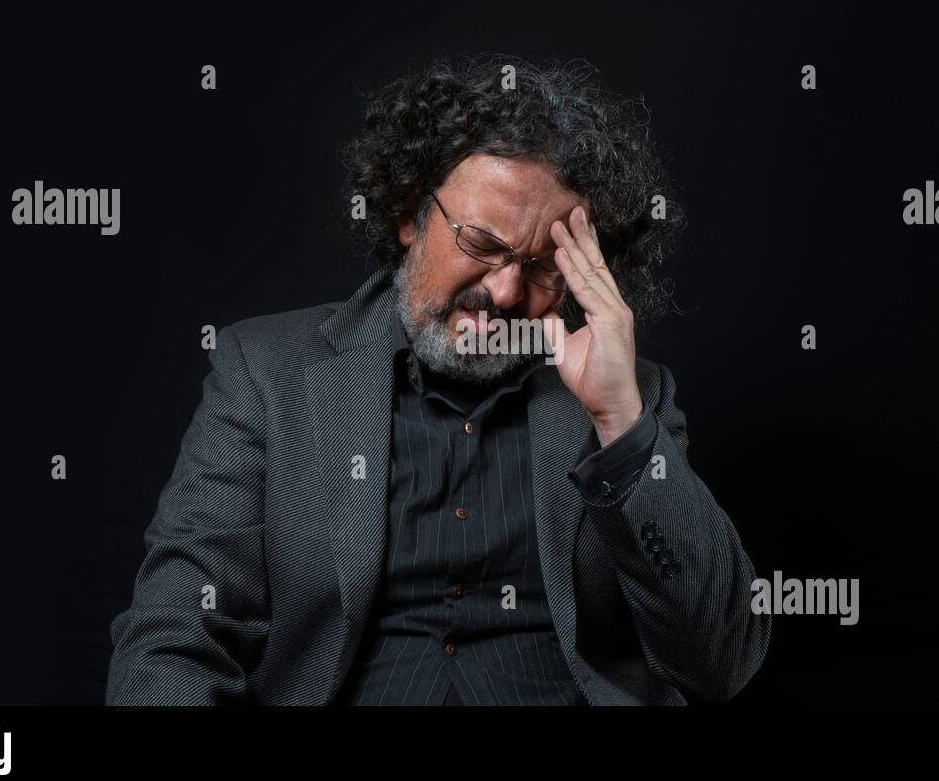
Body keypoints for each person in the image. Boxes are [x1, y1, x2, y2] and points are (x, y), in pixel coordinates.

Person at [106, 55, 769, 705]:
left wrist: (621, 425)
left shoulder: (634, 397)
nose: (505, 292)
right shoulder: (264, 370)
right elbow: (177, 628)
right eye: (482, 246)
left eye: (545, 269)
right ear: (406, 215)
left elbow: (720, 663)